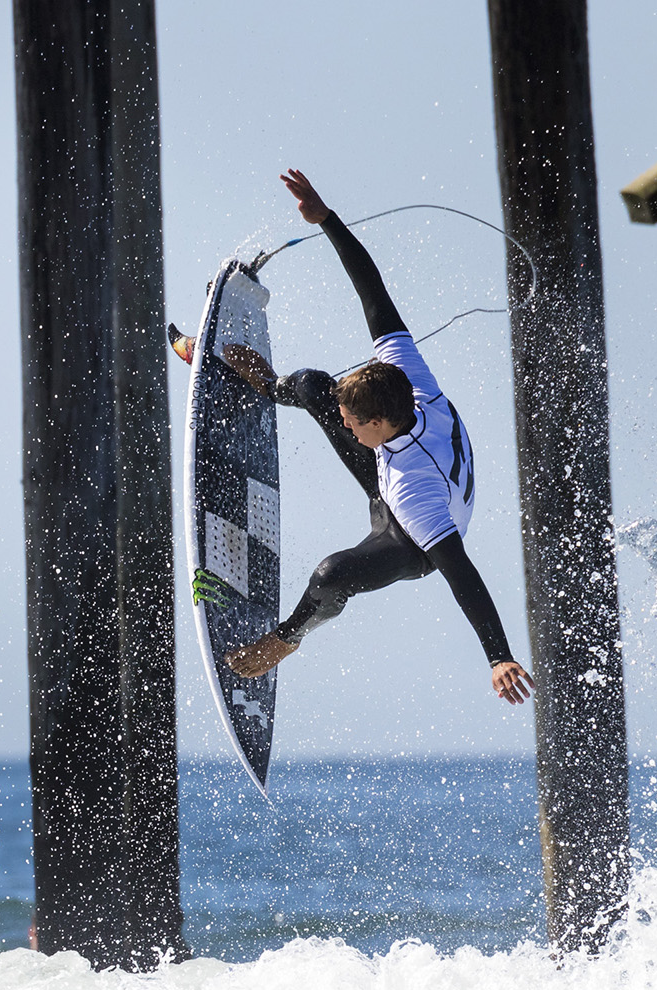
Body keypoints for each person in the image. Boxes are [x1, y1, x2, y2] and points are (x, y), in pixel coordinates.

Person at [219, 169, 534, 708]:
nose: (343, 427)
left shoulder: (416, 495)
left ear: (380, 425)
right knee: (317, 387)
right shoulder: (408, 376)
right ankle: (267, 386)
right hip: (403, 461)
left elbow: (463, 576)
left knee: (332, 575)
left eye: (351, 424)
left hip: (411, 541)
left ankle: (287, 639)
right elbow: (373, 291)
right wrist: (328, 221)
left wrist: (498, 654)